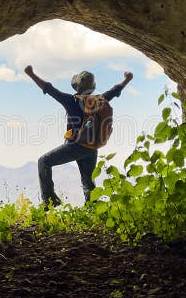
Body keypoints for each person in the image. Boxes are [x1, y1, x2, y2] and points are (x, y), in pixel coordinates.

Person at [24, 65, 133, 206]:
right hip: (92, 147)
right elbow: (115, 90)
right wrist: (127, 79)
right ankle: (93, 208)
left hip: (75, 145)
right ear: (92, 87)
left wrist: (31, 74)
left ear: (76, 87)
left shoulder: (71, 100)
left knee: (43, 162)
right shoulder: (99, 100)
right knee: (88, 180)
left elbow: (49, 89)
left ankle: (49, 200)